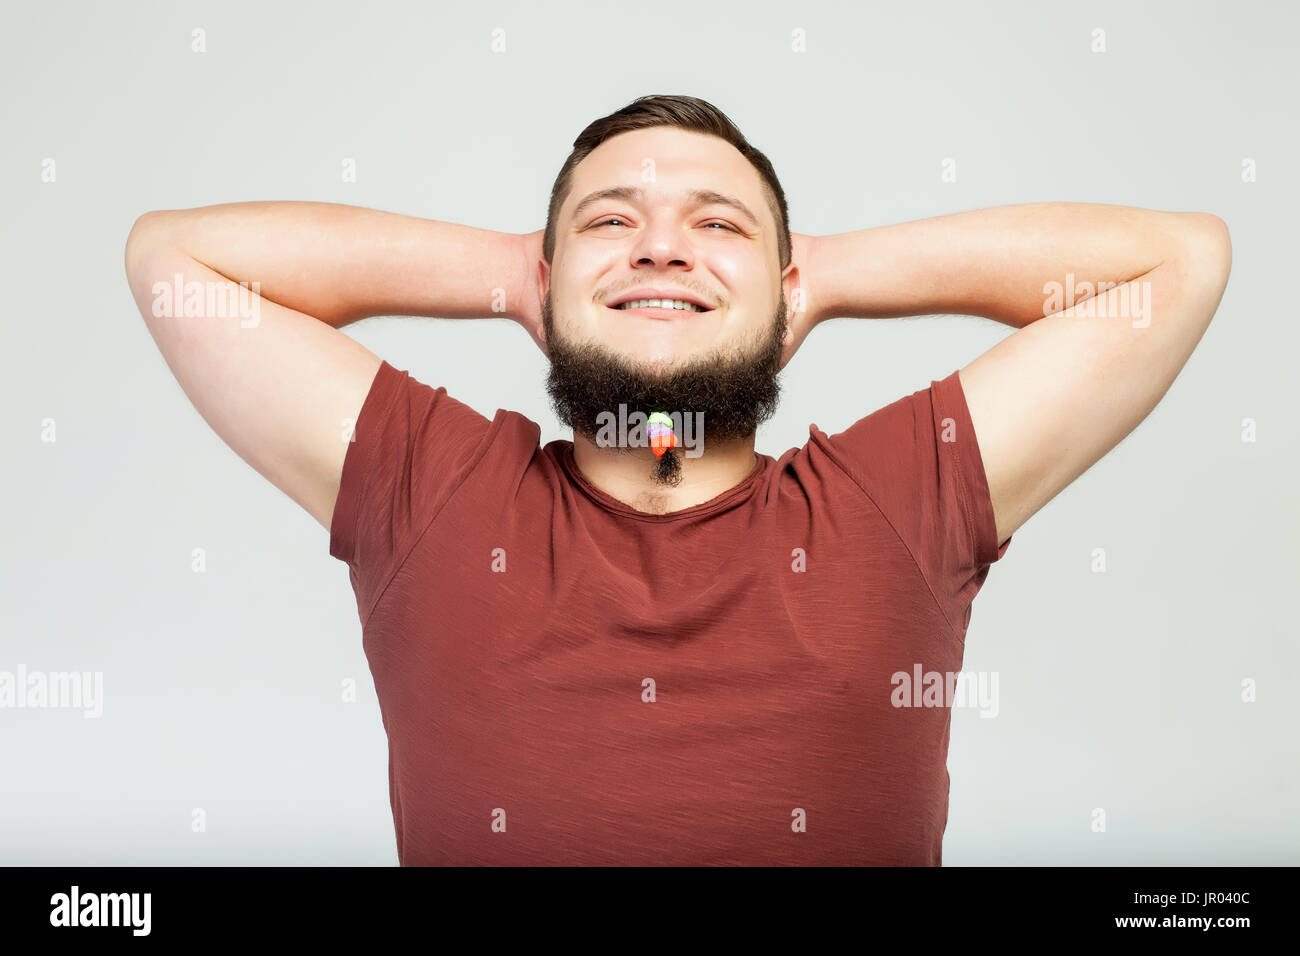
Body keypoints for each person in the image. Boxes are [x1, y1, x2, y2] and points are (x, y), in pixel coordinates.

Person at [123, 94, 1232, 865]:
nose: (660, 248)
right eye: (614, 222)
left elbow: (1176, 263)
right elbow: (175, 264)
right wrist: (521, 276)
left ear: (786, 288)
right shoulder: (439, 492)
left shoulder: (896, 502)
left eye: (717, 225)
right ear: (547, 280)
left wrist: (827, 275)